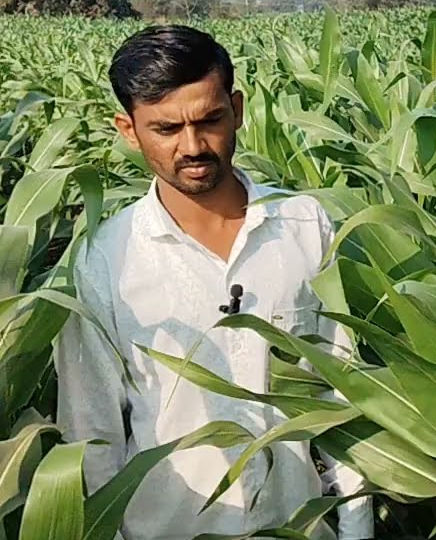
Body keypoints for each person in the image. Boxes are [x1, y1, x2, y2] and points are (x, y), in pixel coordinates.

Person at [53, 26, 373, 539]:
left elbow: (344, 394)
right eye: (166, 129)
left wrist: (356, 528)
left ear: (237, 109)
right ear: (128, 130)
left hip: (297, 526)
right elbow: (92, 434)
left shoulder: (303, 225)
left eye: (210, 120)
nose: (193, 146)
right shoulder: (104, 260)